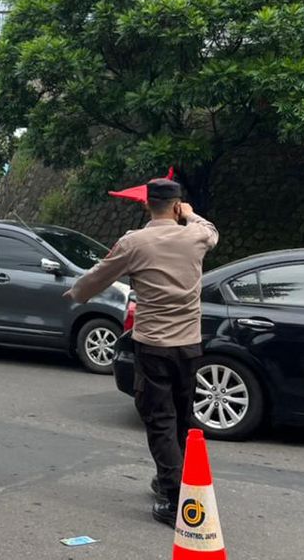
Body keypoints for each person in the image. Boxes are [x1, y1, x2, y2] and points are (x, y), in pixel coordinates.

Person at [63, 176, 218, 527]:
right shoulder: (196, 235)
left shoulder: (134, 242)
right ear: (177, 206)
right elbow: (210, 229)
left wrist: (76, 293)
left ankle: (175, 496)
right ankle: (171, 478)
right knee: (180, 415)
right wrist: (190, 215)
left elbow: (100, 274)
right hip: (189, 345)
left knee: (159, 418)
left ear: (147, 205)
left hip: (153, 346)